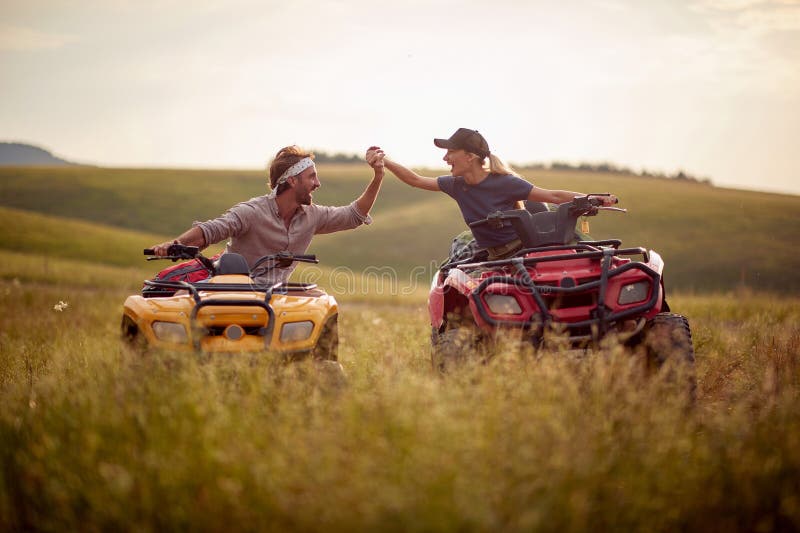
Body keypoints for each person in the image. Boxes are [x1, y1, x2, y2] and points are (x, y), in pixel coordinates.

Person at [366, 128, 617, 260]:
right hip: (490, 252)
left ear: (470, 156)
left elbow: (553, 196)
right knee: (452, 271)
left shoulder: (505, 182)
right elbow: (415, 180)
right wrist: (384, 161)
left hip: (519, 251)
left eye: (450, 152)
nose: (445, 158)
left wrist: (591, 197)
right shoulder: (456, 184)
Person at [150, 145, 384, 283]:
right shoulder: (252, 212)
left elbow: (354, 215)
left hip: (275, 297)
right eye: (312, 177)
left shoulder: (313, 216)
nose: (318, 183)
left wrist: (378, 176)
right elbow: (212, 230)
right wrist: (176, 243)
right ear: (292, 180)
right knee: (158, 288)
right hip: (233, 291)